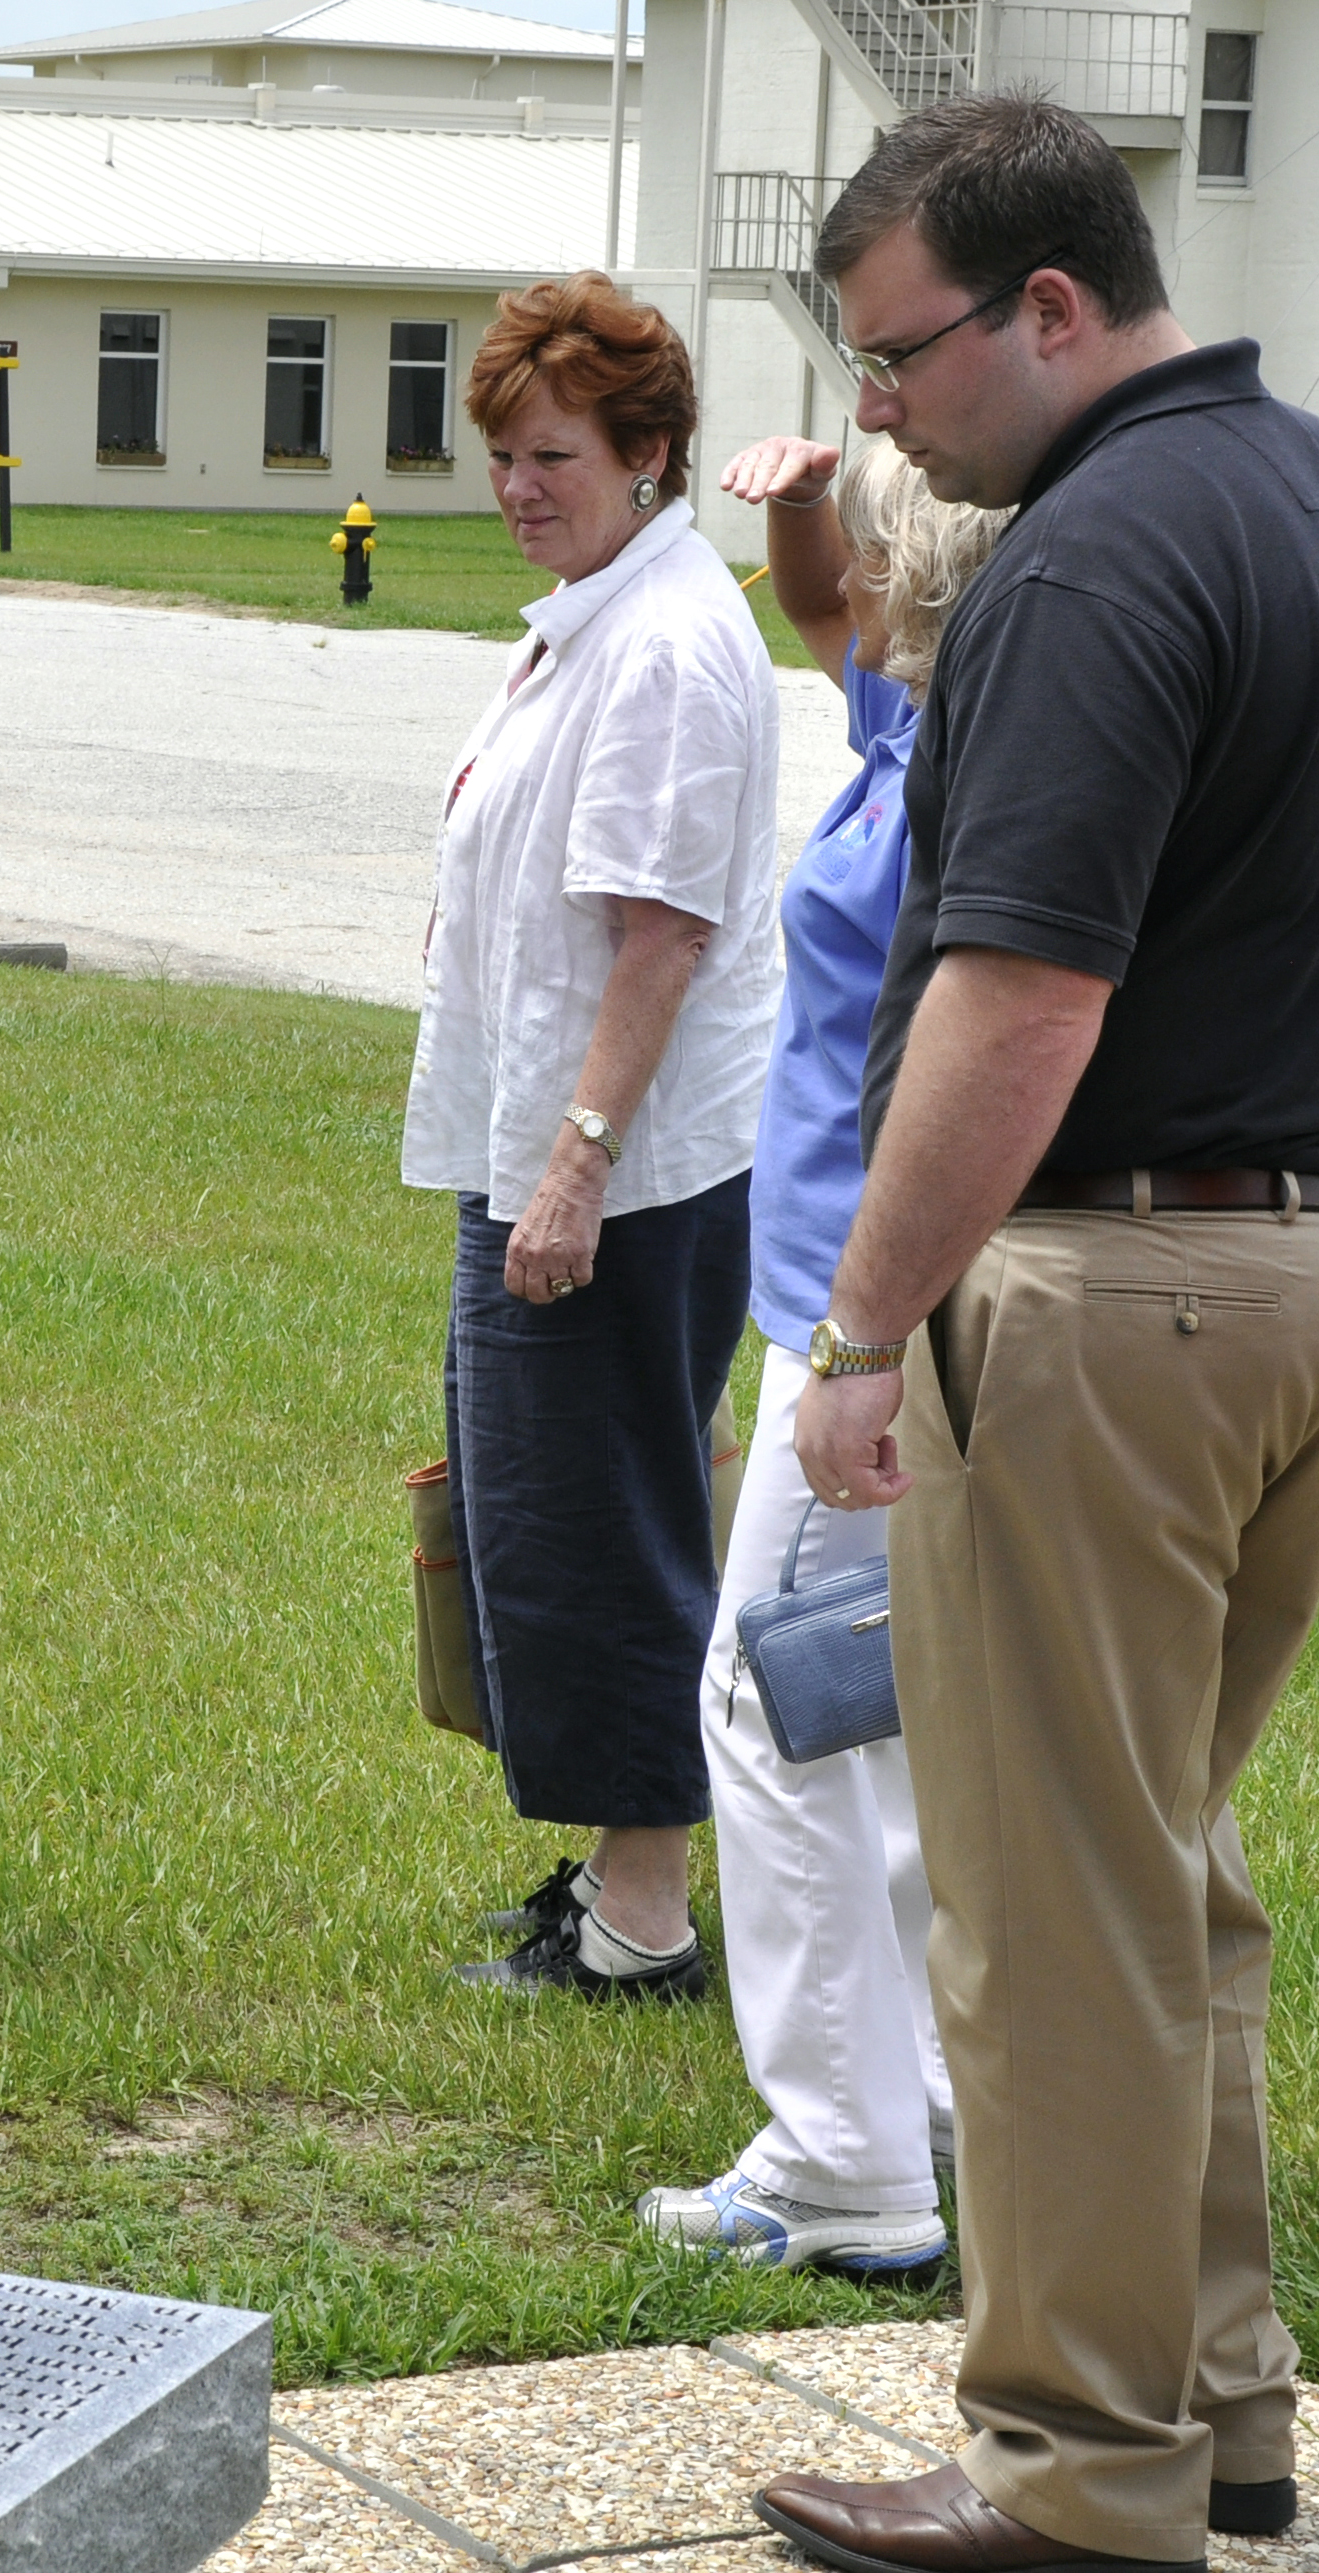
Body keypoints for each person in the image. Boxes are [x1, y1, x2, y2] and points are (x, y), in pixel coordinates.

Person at [759, 94, 1319, 2573]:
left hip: (1110, 1292)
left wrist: (863, 1331)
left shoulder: (1094, 555)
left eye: (899, 356)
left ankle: (1079, 2475)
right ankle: (1220, 2413)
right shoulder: (1296, 494)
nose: (876, 409)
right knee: (1165, 1876)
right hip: (1286, 1279)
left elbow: (1019, 999)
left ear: (1056, 306)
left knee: (1055, 1920)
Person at [635, 435, 1008, 2274]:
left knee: (770, 1700)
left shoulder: (955, 772)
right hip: (856, 1302)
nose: (837, 582)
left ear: (913, 572)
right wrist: (795, 507)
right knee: (889, 1703)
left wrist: (865, 1326)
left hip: (866, 1310)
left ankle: (838, 2164)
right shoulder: (923, 720)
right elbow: (813, 611)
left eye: (861, 544)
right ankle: (926, 2093)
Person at [405, 273, 784, 2000]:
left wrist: (571, 1167)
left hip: (617, 1176)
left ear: (649, 455)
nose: (514, 484)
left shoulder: (663, 646)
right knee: (548, 1508)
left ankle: (641, 1923)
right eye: (499, 452)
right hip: (561, 1151)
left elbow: (659, 935)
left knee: (604, 1522)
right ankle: (620, 1879)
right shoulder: (599, 612)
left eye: (549, 454)